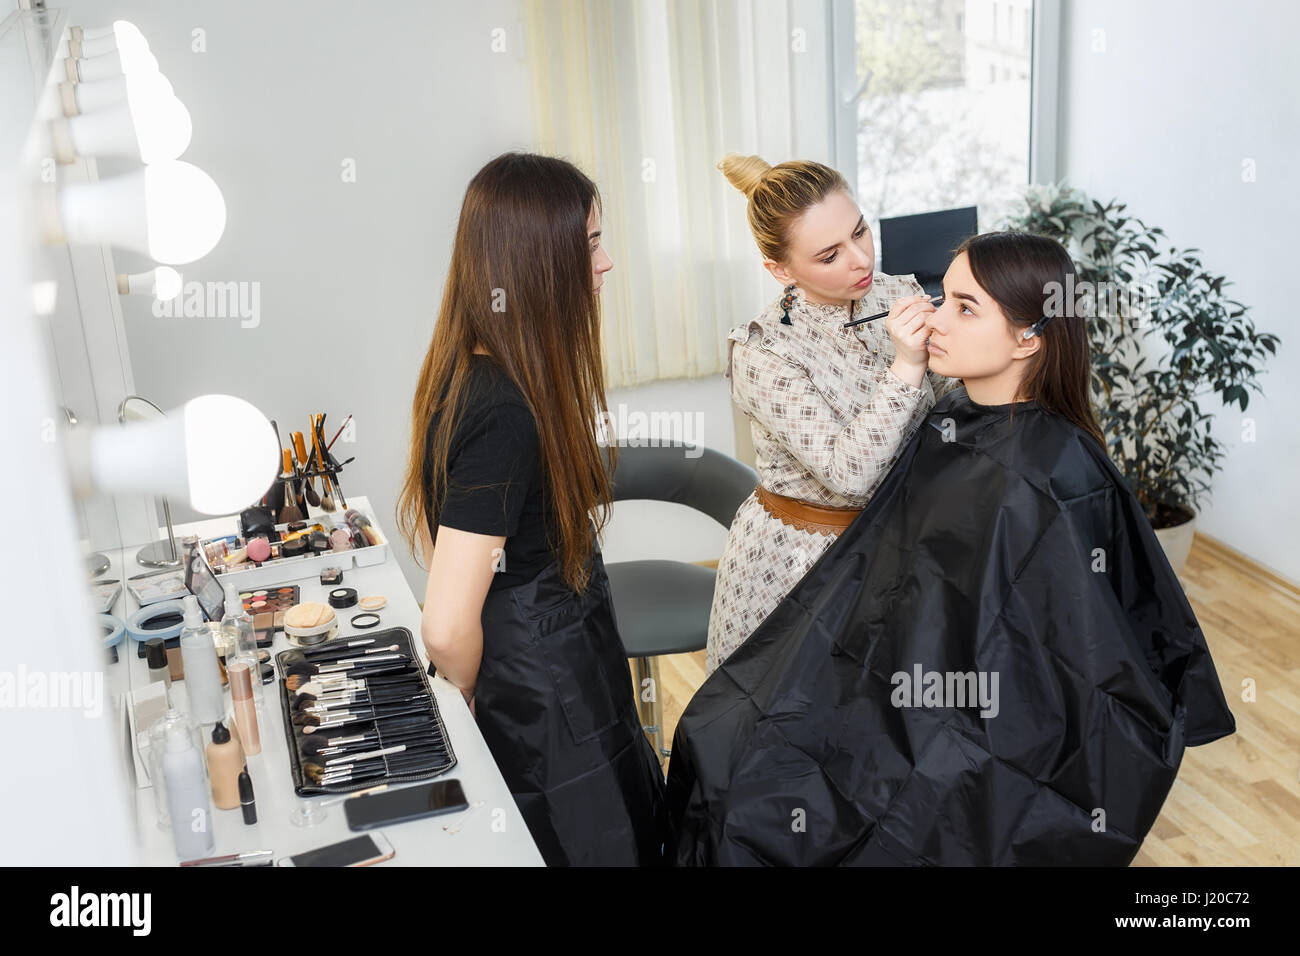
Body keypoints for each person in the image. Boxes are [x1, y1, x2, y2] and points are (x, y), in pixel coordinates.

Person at [666, 231, 1236, 866]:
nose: (934, 317)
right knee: (719, 743)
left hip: (965, 730)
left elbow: (1050, 672)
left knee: (763, 805)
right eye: (944, 296)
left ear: (1029, 337)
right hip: (900, 695)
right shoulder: (954, 417)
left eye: (966, 307)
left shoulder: (1046, 481)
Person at [396, 152, 664, 866]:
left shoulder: (468, 370)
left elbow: (449, 540)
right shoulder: (504, 410)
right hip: (545, 690)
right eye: (589, 245)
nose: (605, 264)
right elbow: (448, 625)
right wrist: (485, 689)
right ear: (535, 262)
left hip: (553, 667)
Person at [708, 153, 960, 674]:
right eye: (829, 255)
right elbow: (851, 474)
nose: (861, 260)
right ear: (780, 270)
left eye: (861, 232)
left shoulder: (900, 292)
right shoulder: (761, 352)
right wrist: (907, 364)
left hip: (901, 547)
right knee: (782, 735)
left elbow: (953, 407)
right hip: (797, 568)